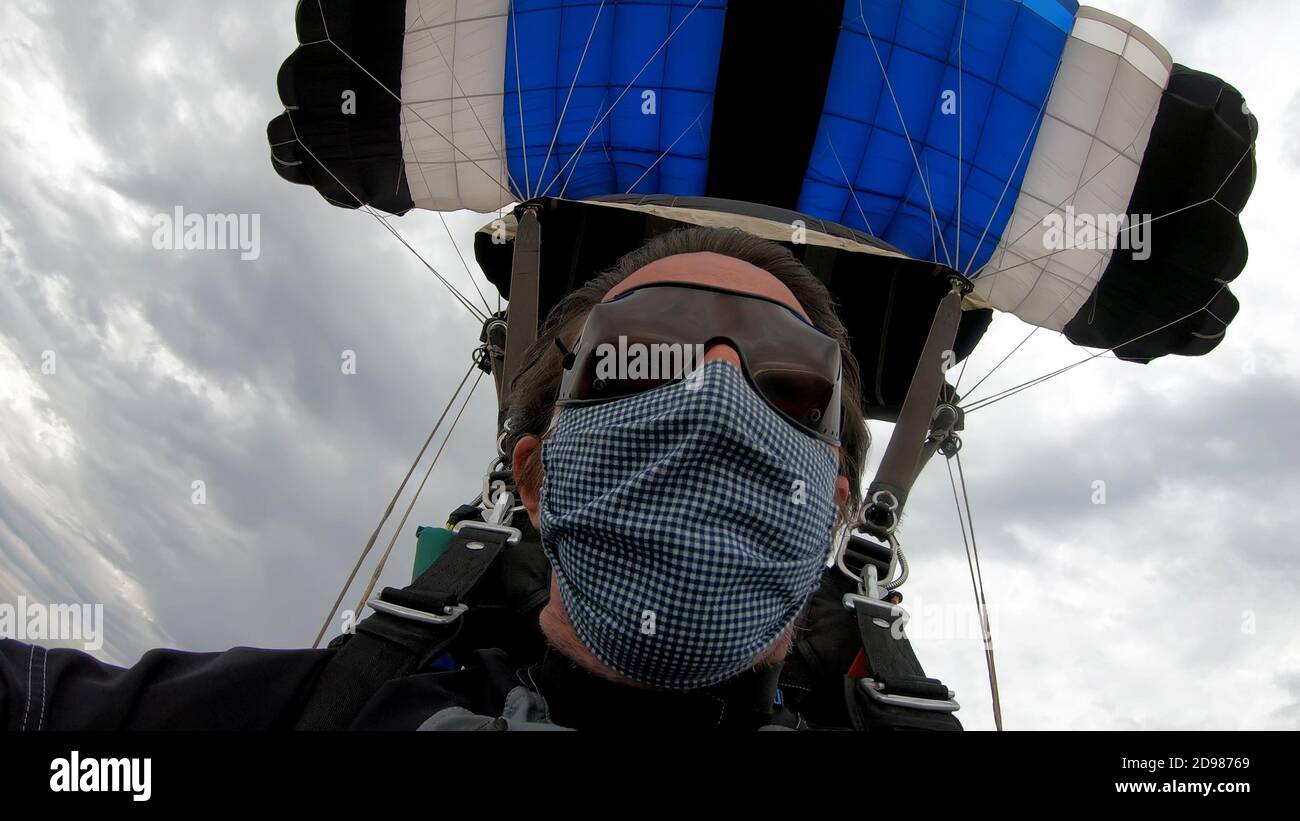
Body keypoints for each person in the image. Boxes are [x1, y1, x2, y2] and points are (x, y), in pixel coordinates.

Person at [0, 227, 956, 731]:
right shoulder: (321, 710)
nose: (712, 387)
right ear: (533, 482)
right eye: (638, 354)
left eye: (790, 381)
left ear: (837, 507)